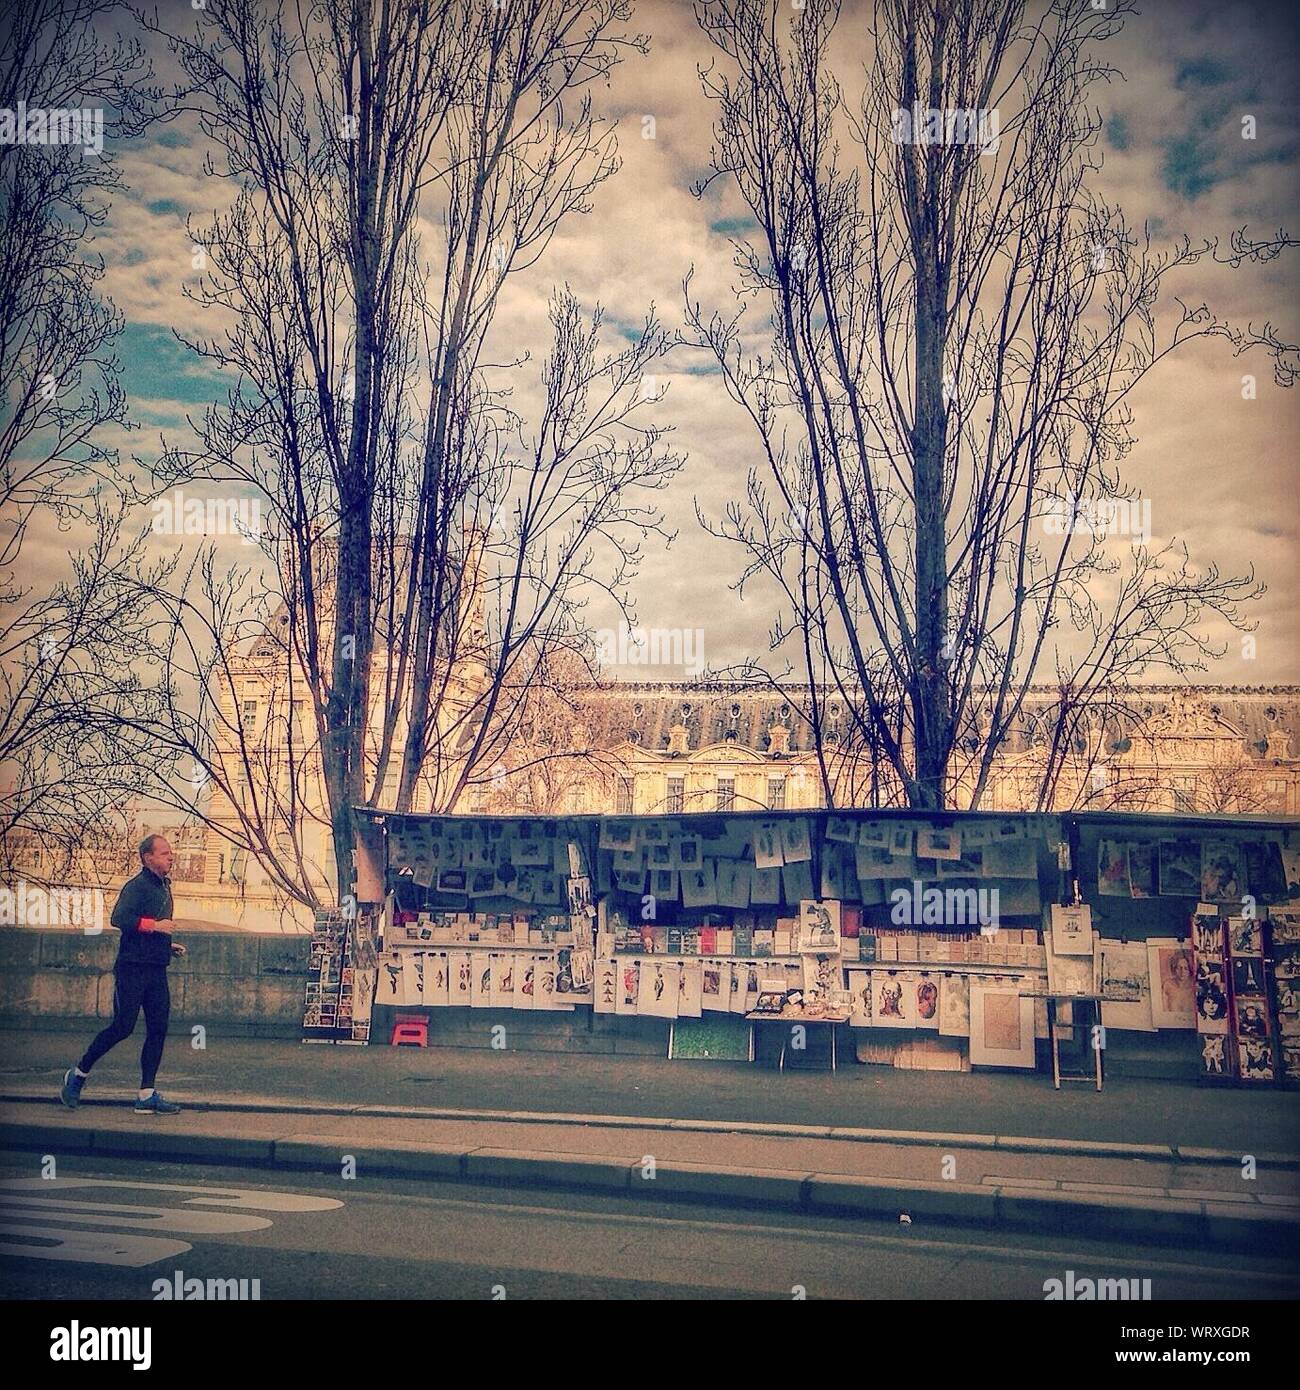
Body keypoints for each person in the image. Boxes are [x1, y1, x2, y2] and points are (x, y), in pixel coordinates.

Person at [59, 834, 188, 1113]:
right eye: (165, 852)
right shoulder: (137, 886)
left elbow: (152, 928)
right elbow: (120, 918)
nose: (171, 856)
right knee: (123, 1027)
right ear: (148, 857)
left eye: (170, 852)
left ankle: (146, 1095)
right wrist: (156, 927)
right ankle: (78, 1074)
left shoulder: (164, 886)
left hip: (156, 968)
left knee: (158, 1028)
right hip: (132, 969)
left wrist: (167, 945)